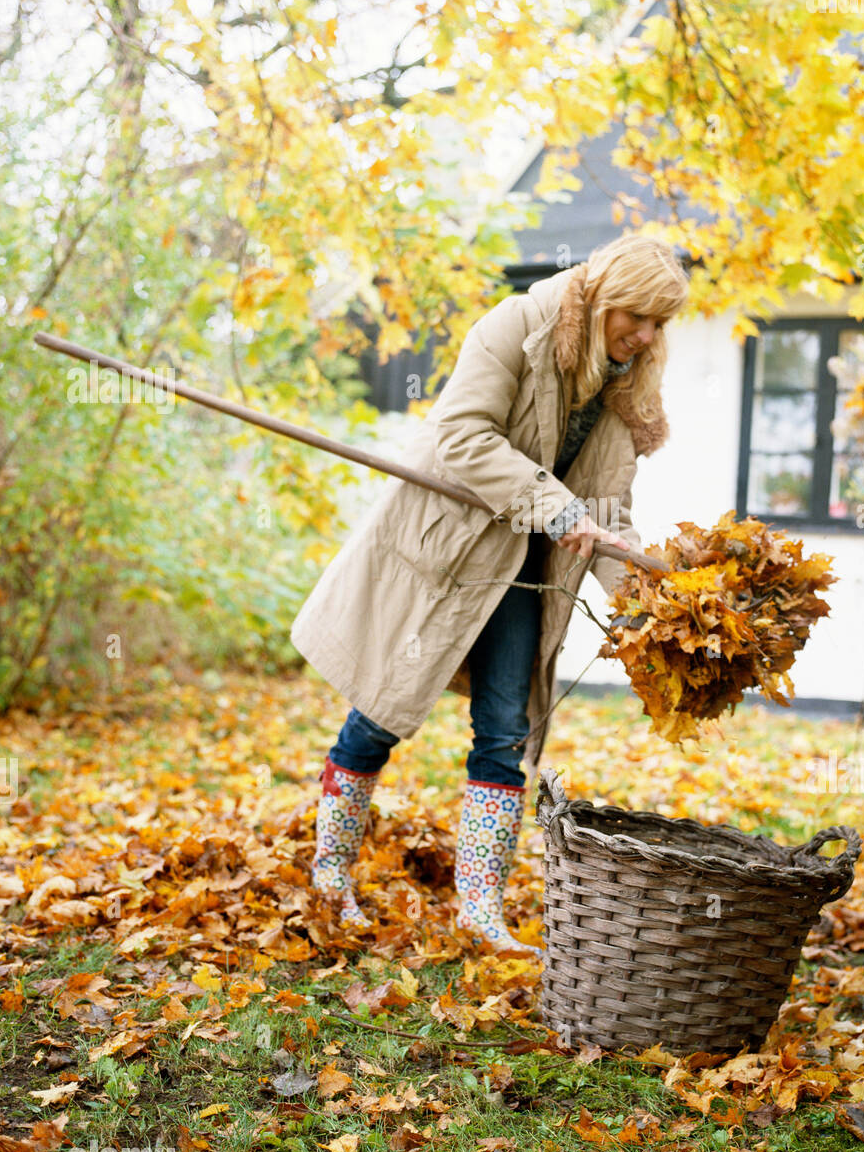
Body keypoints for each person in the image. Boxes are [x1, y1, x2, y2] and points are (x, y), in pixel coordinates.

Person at [290, 233, 690, 952]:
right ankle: (330, 877)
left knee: (505, 733)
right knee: (382, 710)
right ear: (602, 297)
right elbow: (461, 435)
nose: (648, 334)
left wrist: (646, 605)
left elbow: (608, 509)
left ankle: (479, 913)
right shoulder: (517, 327)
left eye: (660, 322)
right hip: (448, 553)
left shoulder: (629, 385)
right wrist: (556, 505)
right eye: (639, 314)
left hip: (527, 571)